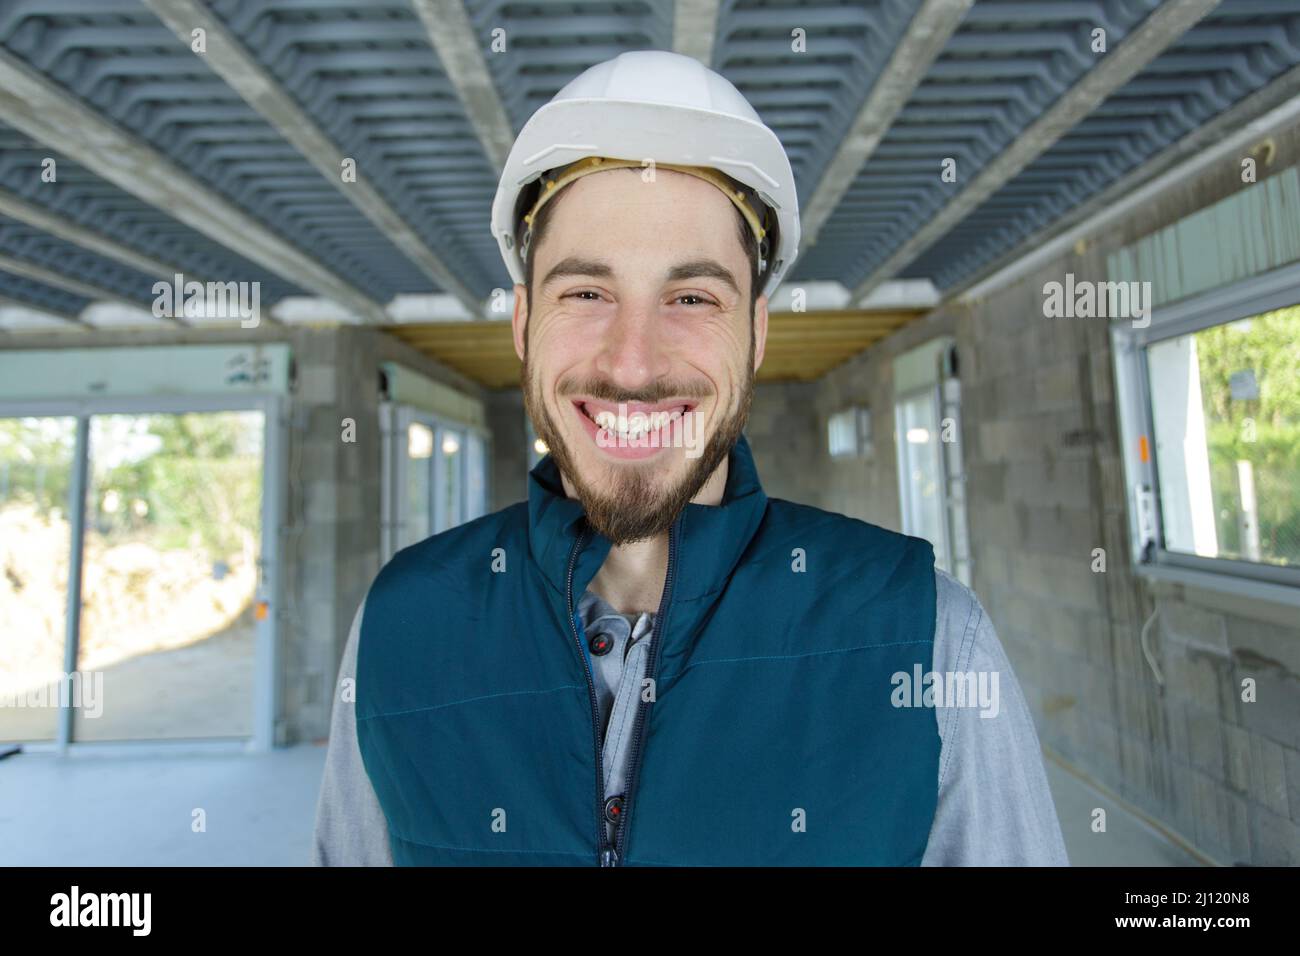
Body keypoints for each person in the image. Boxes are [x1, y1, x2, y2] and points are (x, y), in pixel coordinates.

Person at [312, 49, 1067, 867]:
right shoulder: (400, 626)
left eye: (693, 297)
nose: (633, 365)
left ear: (757, 332)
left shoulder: (927, 636)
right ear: (525, 323)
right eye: (587, 292)